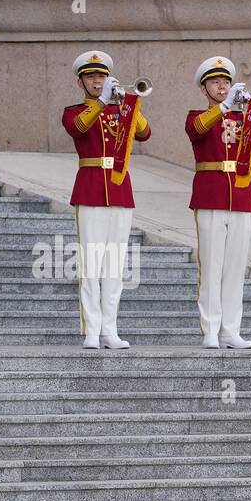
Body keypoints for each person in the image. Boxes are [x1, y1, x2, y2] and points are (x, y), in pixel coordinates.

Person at [61, 50, 151, 349]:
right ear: (81, 82)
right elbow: (78, 128)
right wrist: (101, 103)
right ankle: (91, 329)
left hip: (120, 189)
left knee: (114, 264)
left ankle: (110, 329)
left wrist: (127, 102)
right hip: (90, 188)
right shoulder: (74, 111)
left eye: (101, 76)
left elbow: (145, 133)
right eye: (91, 77)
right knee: (91, 264)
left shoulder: (120, 111)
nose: (98, 81)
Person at [186, 55, 251, 349]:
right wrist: (223, 107)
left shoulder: (242, 118)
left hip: (241, 194)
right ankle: (210, 329)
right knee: (211, 265)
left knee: (235, 267)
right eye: (215, 83)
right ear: (204, 88)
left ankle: (231, 330)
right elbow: (196, 130)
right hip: (210, 193)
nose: (222, 87)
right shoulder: (197, 115)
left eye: (225, 82)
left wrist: (250, 107)